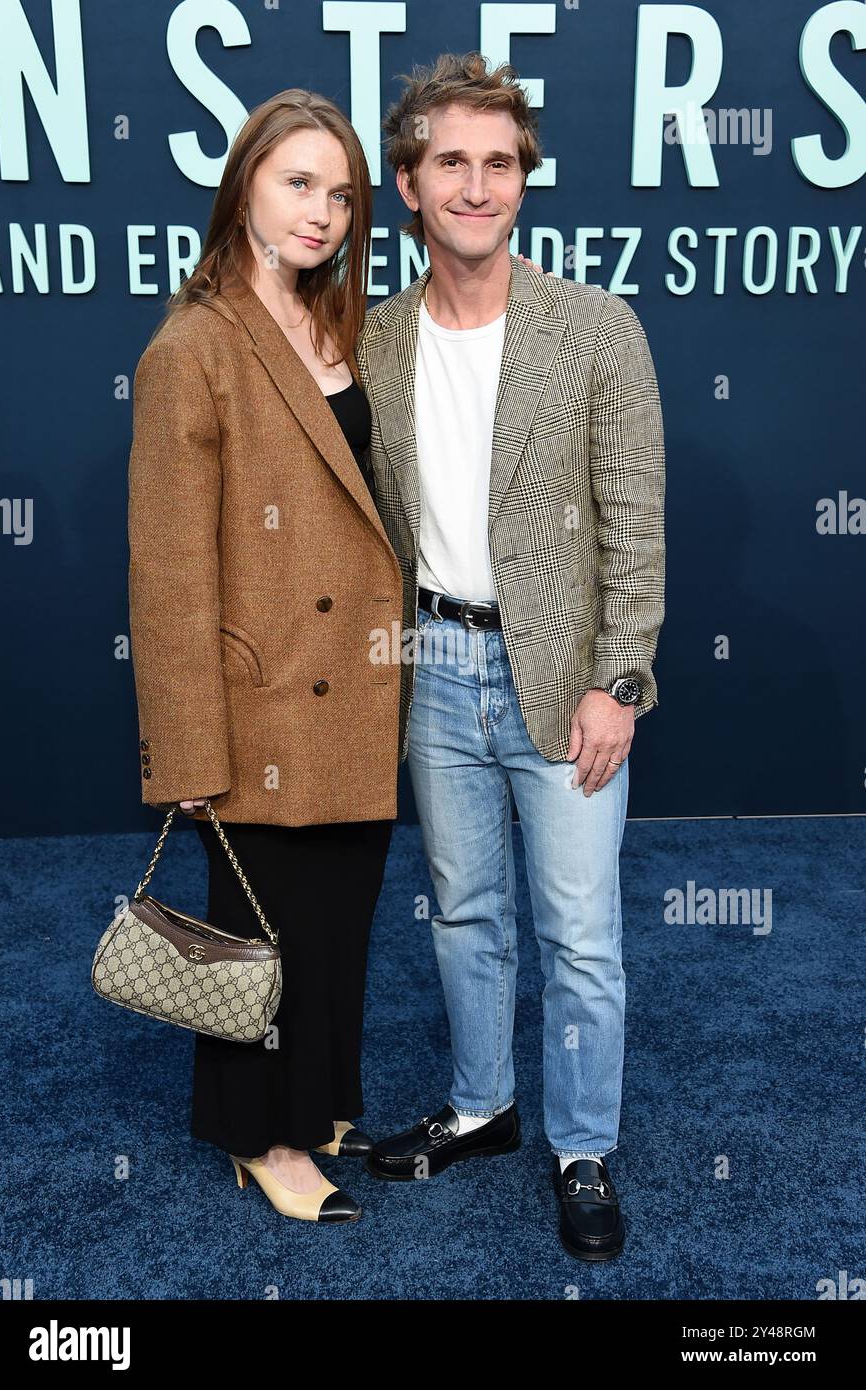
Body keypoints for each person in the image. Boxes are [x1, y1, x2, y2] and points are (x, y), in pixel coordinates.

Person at [357, 52, 666, 1260]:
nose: (475, 186)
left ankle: (582, 1145)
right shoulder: (376, 341)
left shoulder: (595, 329)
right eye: (451, 164)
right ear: (407, 184)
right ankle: (481, 1106)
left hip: (562, 681)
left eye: (498, 164)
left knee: (579, 933)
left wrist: (617, 680)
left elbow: (633, 527)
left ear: (522, 182)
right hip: (432, 667)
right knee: (461, 911)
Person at [126, 89, 405, 1224]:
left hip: (357, 688)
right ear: (243, 184)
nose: (322, 212)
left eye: (340, 193)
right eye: (298, 183)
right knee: (257, 937)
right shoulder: (191, 345)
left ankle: (321, 1096)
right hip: (262, 703)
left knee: (339, 917)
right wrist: (191, 747)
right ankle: (262, 1135)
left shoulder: (337, 326)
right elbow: (167, 573)